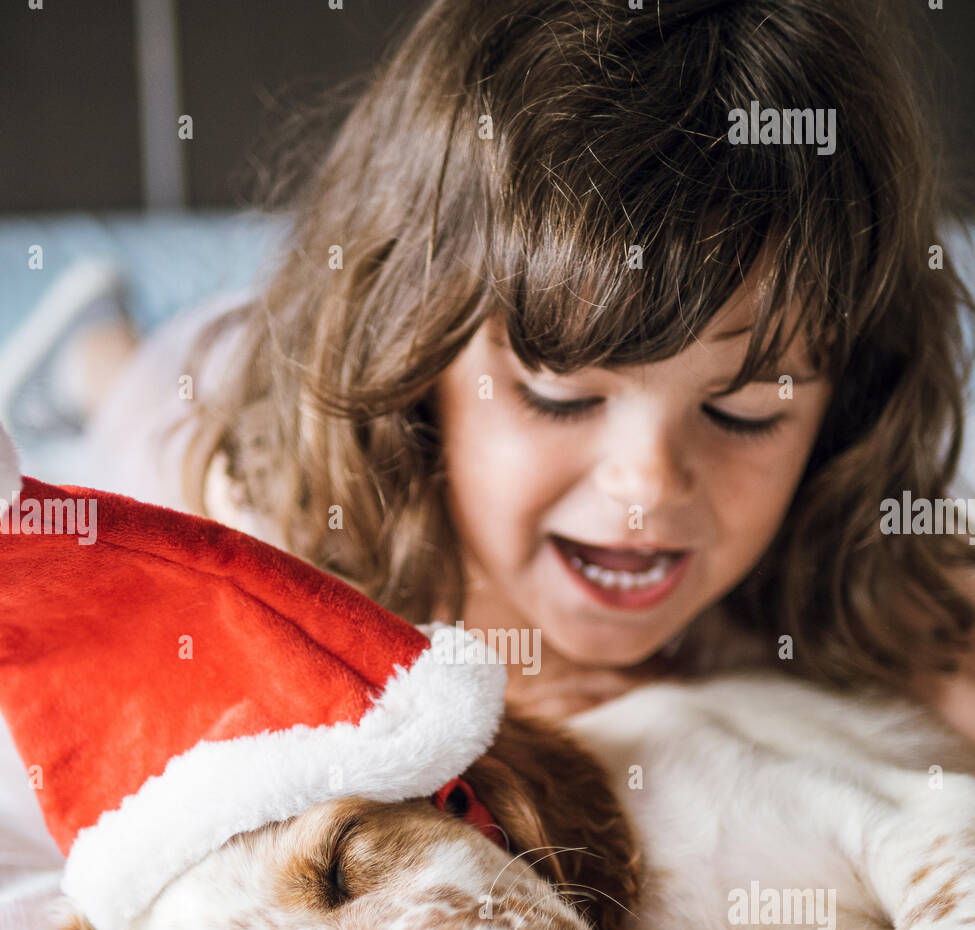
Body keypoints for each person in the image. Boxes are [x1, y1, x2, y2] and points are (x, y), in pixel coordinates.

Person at [5, 0, 975, 727]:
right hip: (216, 382)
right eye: (560, 395)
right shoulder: (262, 524)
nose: (648, 480)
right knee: (139, 383)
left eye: (746, 412)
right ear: (414, 362)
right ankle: (92, 343)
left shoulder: (852, 535)